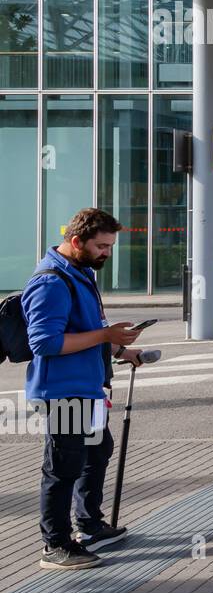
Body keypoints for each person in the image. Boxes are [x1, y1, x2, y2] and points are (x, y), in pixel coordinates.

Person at [22, 208, 149, 570]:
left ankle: (88, 524)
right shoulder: (51, 282)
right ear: (76, 242)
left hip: (86, 388)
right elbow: (45, 343)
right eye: (101, 246)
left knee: (97, 452)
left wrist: (121, 349)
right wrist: (106, 336)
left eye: (110, 246)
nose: (107, 253)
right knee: (62, 467)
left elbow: (87, 330)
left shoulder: (79, 272)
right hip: (61, 392)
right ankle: (55, 544)